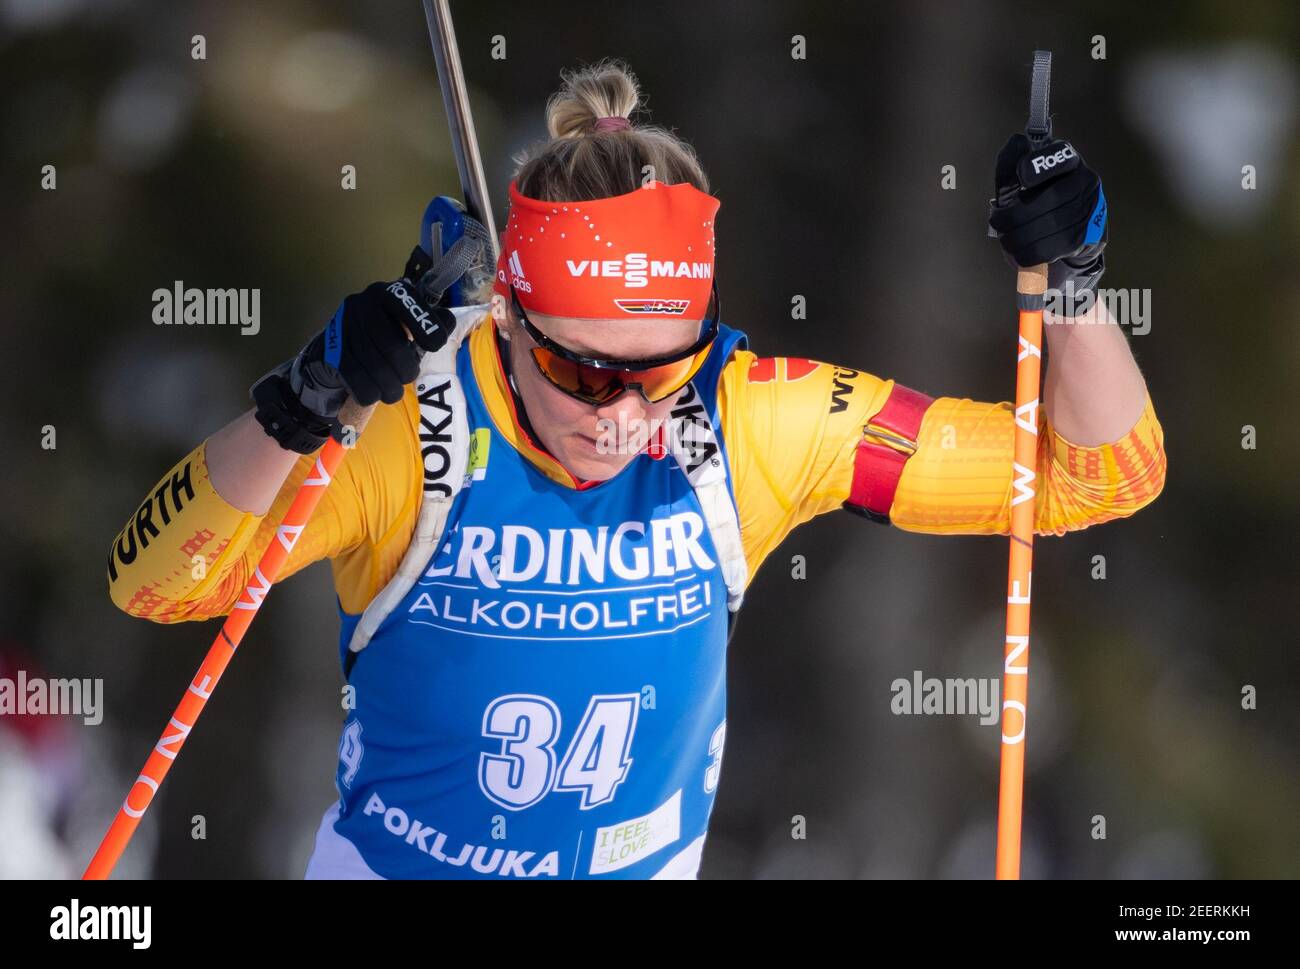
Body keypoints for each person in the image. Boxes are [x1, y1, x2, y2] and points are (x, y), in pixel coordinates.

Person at [106, 59, 1166, 879]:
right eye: (580, 369)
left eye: (662, 373)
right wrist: (304, 404)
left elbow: (1096, 477)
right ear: (505, 315)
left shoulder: (753, 422)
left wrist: (1068, 287)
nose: (619, 414)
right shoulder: (411, 426)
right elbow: (156, 587)